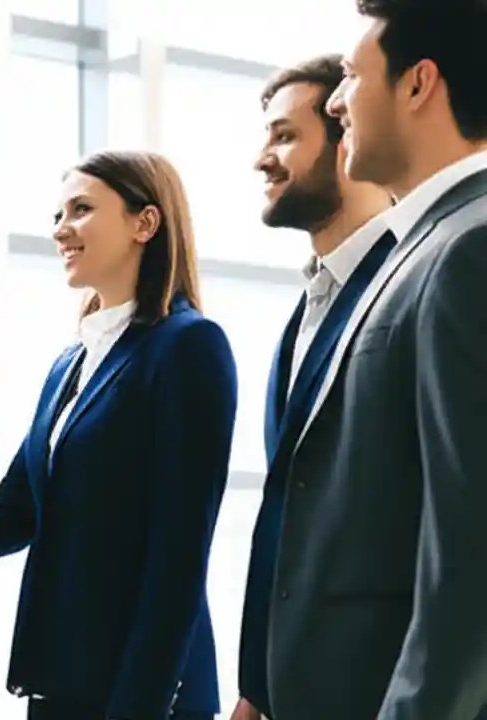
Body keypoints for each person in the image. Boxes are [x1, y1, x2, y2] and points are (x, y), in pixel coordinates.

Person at [0, 150, 237, 719]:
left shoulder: (189, 346)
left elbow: (180, 556)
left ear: (145, 223)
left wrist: (139, 707)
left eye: (81, 210)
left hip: (140, 693)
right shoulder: (74, 361)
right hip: (63, 682)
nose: (60, 230)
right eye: (58, 215)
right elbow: (14, 510)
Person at [262, 0, 487, 717]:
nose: (336, 101)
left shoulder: (468, 247)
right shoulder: (424, 244)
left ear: (419, 84)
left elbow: (469, 547)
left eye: (352, 77)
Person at [232, 54, 395, 720]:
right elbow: (293, 512)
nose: (262, 158)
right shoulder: (307, 307)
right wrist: (259, 684)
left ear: (346, 135)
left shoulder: (416, 281)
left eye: (284, 136)